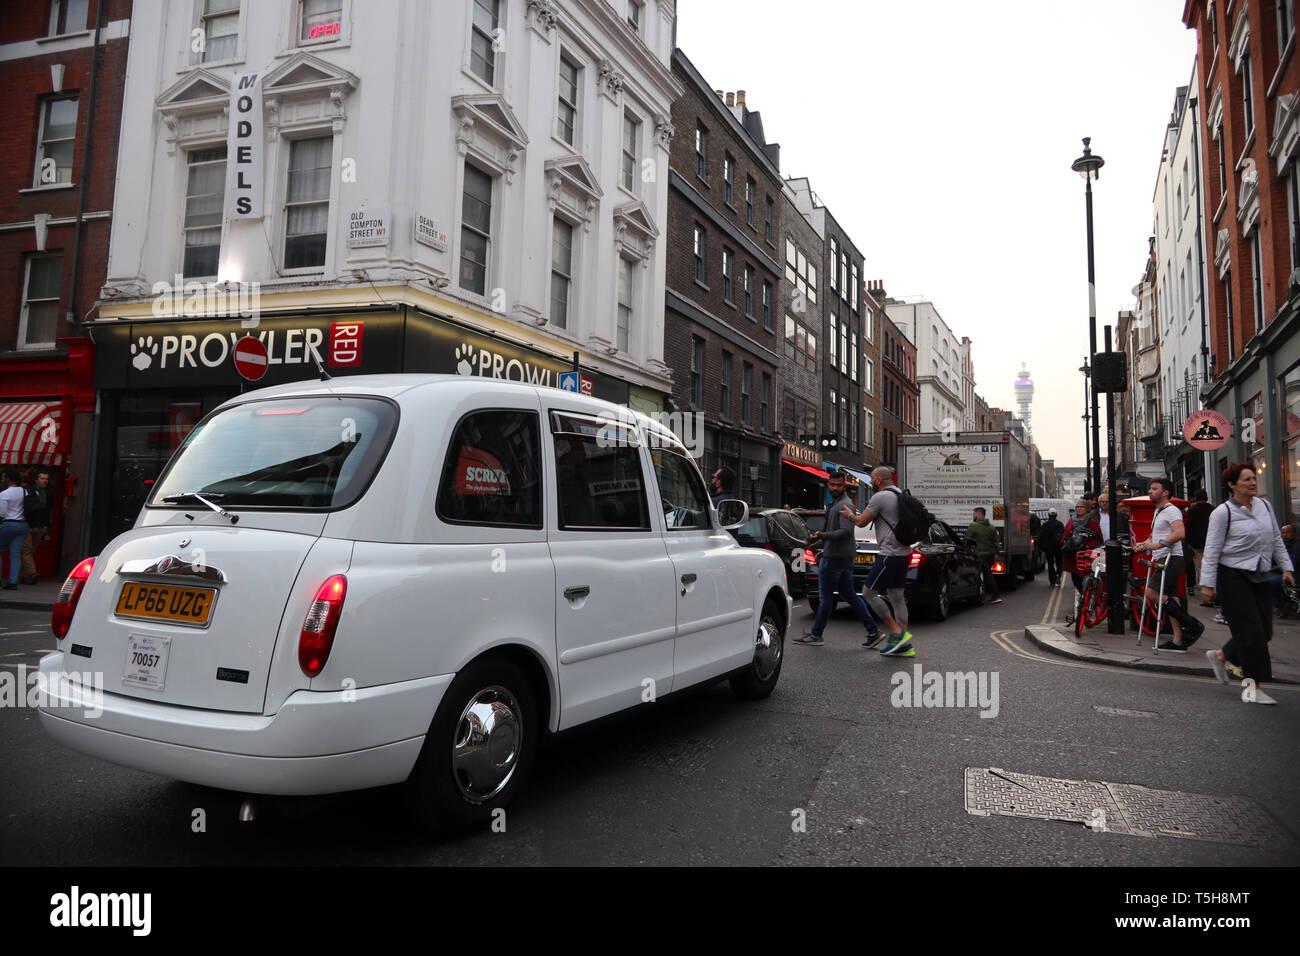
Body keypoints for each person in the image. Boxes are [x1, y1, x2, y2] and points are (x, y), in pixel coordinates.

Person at [1200, 462, 1293, 705]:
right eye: (1246, 480)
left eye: (1254, 478)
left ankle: (1222, 655)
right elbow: (1211, 551)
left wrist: (1287, 567)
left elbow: (1275, 538)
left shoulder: (1264, 505)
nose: (1253, 483)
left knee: (1265, 631)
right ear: (1232, 485)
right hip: (1233, 577)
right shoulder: (1223, 513)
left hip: (1260, 574)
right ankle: (1253, 688)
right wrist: (1207, 585)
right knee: (1251, 634)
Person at [795, 470, 880, 647]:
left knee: (825, 598)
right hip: (841, 557)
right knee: (850, 596)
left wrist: (822, 535)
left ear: (845, 486)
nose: (835, 488)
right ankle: (873, 631)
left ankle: (816, 635)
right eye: (832, 485)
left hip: (834, 559)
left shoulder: (844, 505)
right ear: (828, 485)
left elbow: (845, 532)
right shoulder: (836, 504)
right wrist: (817, 542)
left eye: (839, 485)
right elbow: (836, 534)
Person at [839, 466, 916, 656]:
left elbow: (861, 522)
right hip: (904, 552)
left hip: (889, 554)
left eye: (872, 478)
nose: (871, 481)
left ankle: (898, 633)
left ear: (879, 480)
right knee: (897, 596)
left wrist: (849, 514)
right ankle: (904, 645)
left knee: (868, 592)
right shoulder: (900, 494)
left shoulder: (880, 497)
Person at [1133, 476, 1205, 652]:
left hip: (1171, 558)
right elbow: (1154, 536)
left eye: (1154, 489)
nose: (1150, 491)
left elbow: (1180, 532)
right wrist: (1144, 543)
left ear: (1165, 492)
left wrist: (1158, 545)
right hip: (1162, 558)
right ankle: (1178, 641)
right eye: (1150, 488)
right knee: (1172, 600)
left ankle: (1193, 625)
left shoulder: (1171, 510)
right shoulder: (1159, 511)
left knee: (1151, 592)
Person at [1061, 498, 1102, 625]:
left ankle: (1088, 602)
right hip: (1073, 556)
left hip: (1086, 555)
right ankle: (1084, 600)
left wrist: (1090, 546)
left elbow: (1098, 537)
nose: (1078, 509)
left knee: (1085, 580)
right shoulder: (1072, 520)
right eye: (1077, 507)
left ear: (1087, 509)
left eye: (1081, 507)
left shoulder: (1093, 522)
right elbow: (1065, 534)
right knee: (1076, 580)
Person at [0, 469, 30, 590]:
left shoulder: (4, 494)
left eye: (3, 477)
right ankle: (13, 582)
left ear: (8, 479)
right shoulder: (25, 492)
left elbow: (2, 514)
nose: (2, 479)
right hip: (23, 525)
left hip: (8, 524)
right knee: (15, 554)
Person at [20, 469, 51, 585]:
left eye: (47, 479)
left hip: (40, 526)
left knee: (31, 552)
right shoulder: (29, 491)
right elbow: (27, 508)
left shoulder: (48, 493)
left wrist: (46, 527)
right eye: (42, 478)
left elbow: (48, 511)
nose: (45, 481)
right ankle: (32, 573)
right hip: (28, 525)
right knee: (27, 550)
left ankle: (23, 576)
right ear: (36, 480)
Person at [966, 506, 1002, 604]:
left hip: (980, 555)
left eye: (974, 514)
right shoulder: (992, 527)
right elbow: (996, 543)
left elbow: (967, 539)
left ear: (979, 514)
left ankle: (996, 595)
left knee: (986, 575)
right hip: (990, 555)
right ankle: (986, 595)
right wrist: (996, 554)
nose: (973, 516)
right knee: (987, 575)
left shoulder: (973, 526)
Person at [1184, 488, 1212, 588]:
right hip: (1210, 541)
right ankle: (1213, 588)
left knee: (1199, 565)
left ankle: (1205, 586)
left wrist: (1187, 541)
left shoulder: (1191, 511)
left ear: (1195, 498)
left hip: (1196, 543)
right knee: (1211, 564)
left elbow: (1188, 527)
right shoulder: (1213, 509)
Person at [1271, 524, 1300, 616]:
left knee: (1272, 581)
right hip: (1284, 573)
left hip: (1295, 574)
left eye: (1288, 532)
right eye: (1283, 533)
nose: (1285, 535)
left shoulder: (1297, 546)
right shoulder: (1283, 545)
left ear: (1294, 533)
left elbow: (1292, 564)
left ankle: (1282, 603)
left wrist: (1272, 569)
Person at [1040, 509, 1065, 587]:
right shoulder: (1060, 524)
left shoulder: (1045, 525)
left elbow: (1041, 537)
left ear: (1048, 515)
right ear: (1056, 515)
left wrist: (1041, 547)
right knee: (1059, 563)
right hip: (1058, 547)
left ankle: (1052, 581)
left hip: (1048, 548)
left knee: (1050, 564)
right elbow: (1063, 536)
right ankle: (1058, 574)